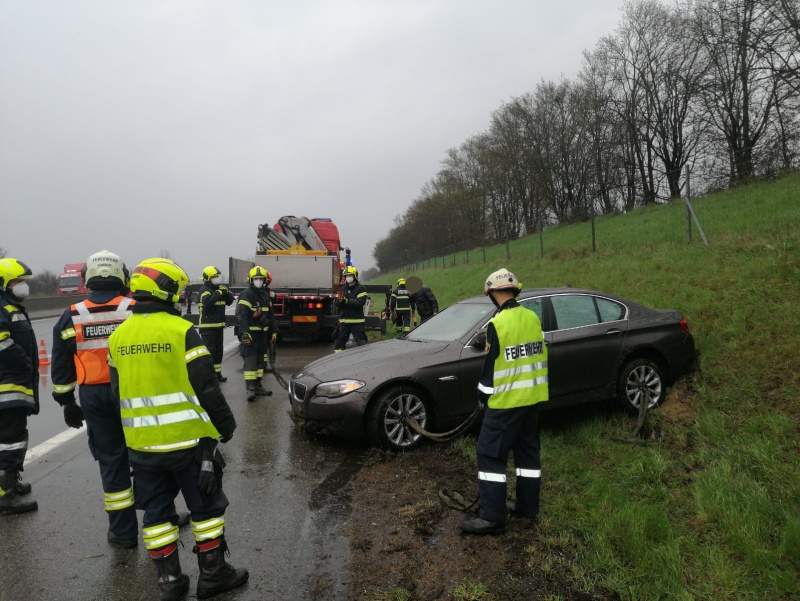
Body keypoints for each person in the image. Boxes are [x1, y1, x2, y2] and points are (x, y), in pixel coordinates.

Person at [108, 258, 248, 599]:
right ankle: (213, 575)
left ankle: (169, 582)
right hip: (188, 442)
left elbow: (116, 392)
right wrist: (225, 425)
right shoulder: (181, 330)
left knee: (156, 513)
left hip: (143, 445)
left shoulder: (118, 336)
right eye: (179, 289)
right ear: (167, 290)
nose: (182, 296)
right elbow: (206, 384)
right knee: (206, 508)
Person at [51, 250, 190, 547]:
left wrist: (67, 402)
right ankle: (162, 516)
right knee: (149, 455)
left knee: (112, 462)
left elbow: (61, 366)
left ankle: (123, 532)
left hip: (94, 397)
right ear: (122, 276)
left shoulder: (71, 315)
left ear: (87, 277)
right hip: (135, 389)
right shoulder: (134, 308)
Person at [460, 268, 548, 535]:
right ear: (514, 290)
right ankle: (527, 507)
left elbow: (491, 366)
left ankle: (492, 517)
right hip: (532, 398)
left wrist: (483, 396)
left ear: (492, 293)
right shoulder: (532, 317)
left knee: (489, 455)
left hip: (506, 402)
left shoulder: (498, 324)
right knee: (527, 453)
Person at [0, 258, 39, 516]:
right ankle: (5, 496)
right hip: (6, 386)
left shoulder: (10, 305)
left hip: (14, 385)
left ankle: (11, 482)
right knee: (8, 440)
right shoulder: (2, 306)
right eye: (18, 281)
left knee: (14, 435)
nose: (23, 285)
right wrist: (24, 362)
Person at [236, 266, 276, 401]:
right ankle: (250, 389)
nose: (258, 281)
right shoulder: (246, 294)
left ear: (264, 280)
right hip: (251, 335)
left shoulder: (264, 295)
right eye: (256, 279)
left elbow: (270, 315)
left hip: (262, 335)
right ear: (251, 280)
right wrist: (244, 333)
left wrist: (274, 331)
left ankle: (258, 386)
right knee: (250, 362)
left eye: (260, 279)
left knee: (260, 362)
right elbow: (242, 316)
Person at [198, 266, 235, 383]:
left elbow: (230, 302)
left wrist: (227, 292)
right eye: (214, 277)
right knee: (210, 352)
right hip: (207, 327)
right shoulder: (204, 290)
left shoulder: (219, 290)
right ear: (208, 278)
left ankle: (217, 374)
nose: (216, 279)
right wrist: (219, 292)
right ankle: (208, 376)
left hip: (219, 326)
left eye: (217, 277)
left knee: (219, 352)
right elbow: (208, 302)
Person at [333, 266, 368, 352]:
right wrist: (340, 301)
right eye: (346, 276)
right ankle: (338, 359)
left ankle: (364, 359)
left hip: (357, 322)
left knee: (362, 344)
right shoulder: (342, 289)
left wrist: (346, 301)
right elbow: (337, 304)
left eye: (350, 275)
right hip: (344, 322)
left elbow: (360, 303)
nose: (348, 277)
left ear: (355, 276)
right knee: (338, 346)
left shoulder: (361, 289)